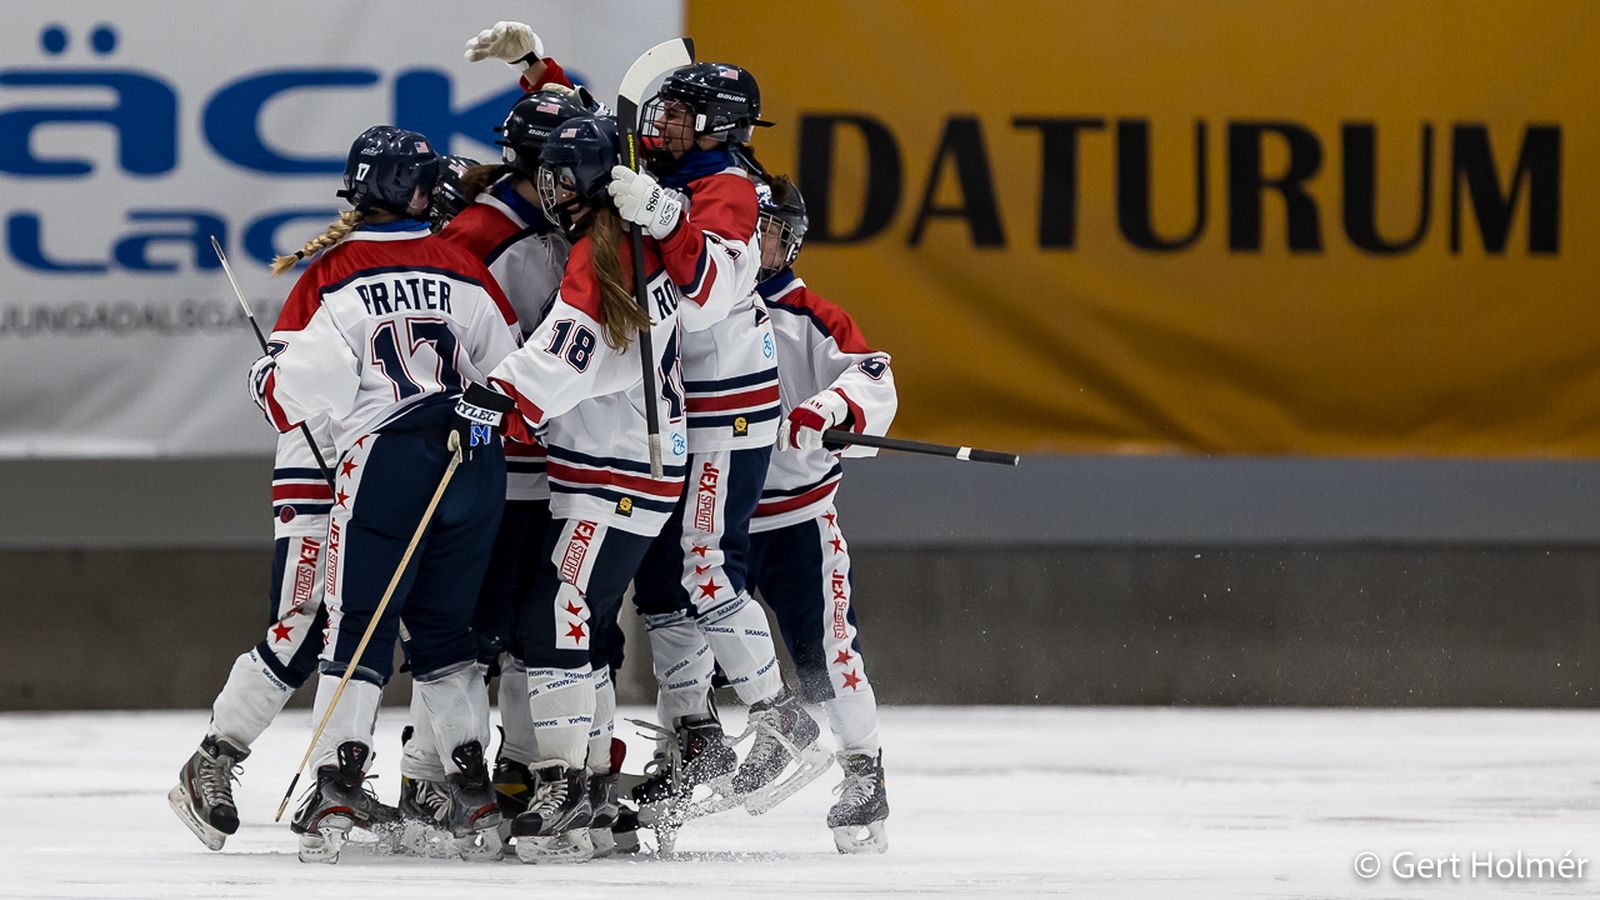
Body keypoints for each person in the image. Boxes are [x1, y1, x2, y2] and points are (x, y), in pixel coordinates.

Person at [248, 124, 522, 864]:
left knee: (359, 623)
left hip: (388, 462)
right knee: (445, 630)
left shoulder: (330, 273)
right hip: (476, 463)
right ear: (421, 192)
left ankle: (338, 782)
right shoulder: (464, 264)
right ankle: (472, 788)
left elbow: (288, 398)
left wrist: (262, 377)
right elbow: (516, 376)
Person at [461, 113, 690, 864]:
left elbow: (567, 353)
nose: (551, 190)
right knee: (580, 622)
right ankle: (587, 787)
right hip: (627, 466)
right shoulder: (631, 241)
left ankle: (560, 786)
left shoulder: (606, 256)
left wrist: (500, 395)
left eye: (562, 177)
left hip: (613, 473)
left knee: (554, 608)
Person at [749, 177, 896, 852]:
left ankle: (863, 769)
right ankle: (753, 735)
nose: (756, 242)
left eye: (768, 229)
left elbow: (870, 376)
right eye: (745, 226)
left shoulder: (810, 315)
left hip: (797, 520)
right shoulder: (690, 310)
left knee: (828, 656)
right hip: (710, 519)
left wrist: (828, 410)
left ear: (790, 239)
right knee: (690, 638)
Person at [167, 420, 337, 852]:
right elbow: (278, 386)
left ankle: (424, 777)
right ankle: (214, 754)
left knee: (417, 626)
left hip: (406, 469)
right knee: (302, 628)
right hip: (322, 474)